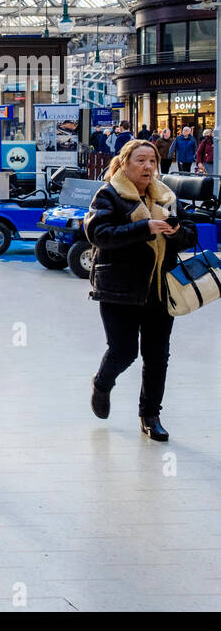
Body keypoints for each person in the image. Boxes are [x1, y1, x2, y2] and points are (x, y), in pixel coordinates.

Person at [85, 139, 196, 442]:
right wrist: (144, 228)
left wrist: (174, 231)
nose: (148, 167)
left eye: (153, 161)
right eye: (141, 160)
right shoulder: (109, 195)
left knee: (157, 355)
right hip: (119, 289)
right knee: (123, 351)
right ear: (124, 163)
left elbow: (190, 234)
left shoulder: (167, 196)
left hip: (161, 289)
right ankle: (102, 382)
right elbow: (99, 235)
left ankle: (150, 415)